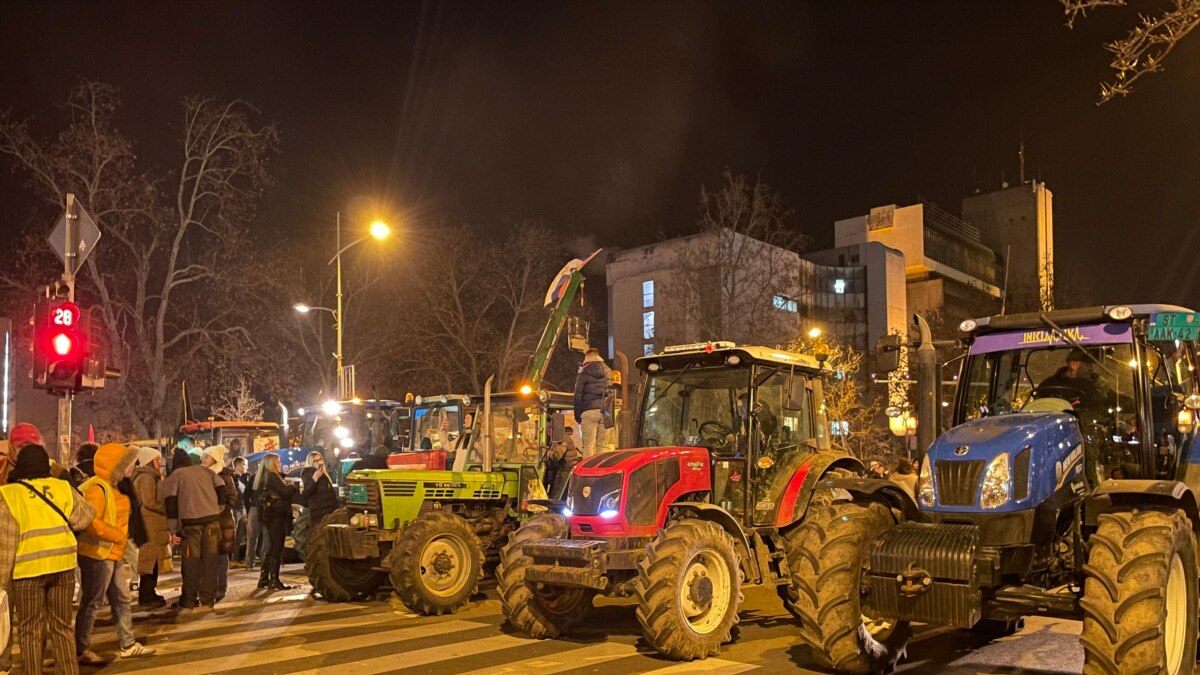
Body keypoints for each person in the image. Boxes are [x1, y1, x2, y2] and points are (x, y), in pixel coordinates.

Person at [0, 445, 96, 675]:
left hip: (28, 570)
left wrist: (2, 582)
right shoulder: (62, 487)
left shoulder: (9, 494)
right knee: (62, 627)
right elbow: (87, 514)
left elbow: (7, 542)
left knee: (30, 629)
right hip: (63, 566)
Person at [75, 443, 155, 664]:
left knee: (121, 598)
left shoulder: (116, 486)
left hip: (113, 553)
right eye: (128, 463)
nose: (132, 466)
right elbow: (92, 522)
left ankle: (127, 643)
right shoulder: (98, 488)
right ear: (115, 465)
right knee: (92, 603)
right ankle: (80, 649)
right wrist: (117, 536)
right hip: (98, 554)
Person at [162, 443, 226, 610]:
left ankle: (189, 599)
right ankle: (207, 599)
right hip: (212, 521)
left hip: (191, 525)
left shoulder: (175, 476)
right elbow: (222, 490)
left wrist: (174, 529)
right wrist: (217, 509)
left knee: (191, 562)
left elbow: (171, 505)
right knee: (210, 561)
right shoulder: (206, 471)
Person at [254, 453, 299, 591]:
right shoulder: (273, 476)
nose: (279, 463)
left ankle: (264, 579)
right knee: (276, 547)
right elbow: (285, 493)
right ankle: (274, 579)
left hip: (268, 516)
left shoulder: (262, 477)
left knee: (269, 547)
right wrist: (292, 486)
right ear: (272, 463)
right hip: (277, 515)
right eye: (277, 461)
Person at [131, 447, 169, 608]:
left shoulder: (151, 476)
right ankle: (146, 595)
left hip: (152, 523)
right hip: (150, 523)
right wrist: (166, 508)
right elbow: (149, 500)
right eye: (156, 459)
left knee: (152, 560)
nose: (160, 462)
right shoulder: (147, 477)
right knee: (150, 561)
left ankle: (149, 592)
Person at [202, 446, 238, 602]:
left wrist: (220, 510)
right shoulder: (202, 474)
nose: (203, 460)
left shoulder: (224, 476)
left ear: (215, 459)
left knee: (221, 554)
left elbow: (233, 497)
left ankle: (221, 587)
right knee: (209, 555)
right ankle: (209, 586)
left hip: (222, 521)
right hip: (208, 520)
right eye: (203, 457)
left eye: (206, 457)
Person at [1038, 348, 1106, 410]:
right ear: (1073, 364)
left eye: (1091, 365)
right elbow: (1040, 407)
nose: (1091, 369)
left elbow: (1111, 404)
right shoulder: (1049, 385)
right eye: (1087, 365)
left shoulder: (1096, 385)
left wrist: (1105, 389)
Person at [573, 348, 612, 457]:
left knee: (588, 445)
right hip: (605, 412)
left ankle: (588, 471)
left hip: (589, 411)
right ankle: (601, 471)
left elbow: (578, 395)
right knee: (602, 445)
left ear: (587, 357)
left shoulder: (583, 371)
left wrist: (577, 416)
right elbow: (611, 393)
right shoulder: (607, 370)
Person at [301, 451, 338, 529]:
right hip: (318, 513)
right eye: (315, 461)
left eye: (320, 459)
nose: (319, 462)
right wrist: (314, 478)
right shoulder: (308, 473)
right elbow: (306, 493)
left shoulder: (324, 474)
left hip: (329, 511)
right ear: (311, 462)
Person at [231, 457, 248, 567]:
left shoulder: (243, 478)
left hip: (242, 509)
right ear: (238, 465)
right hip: (236, 509)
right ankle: (232, 558)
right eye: (244, 465)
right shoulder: (233, 478)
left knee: (240, 535)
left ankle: (236, 557)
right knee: (234, 535)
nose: (246, 467)